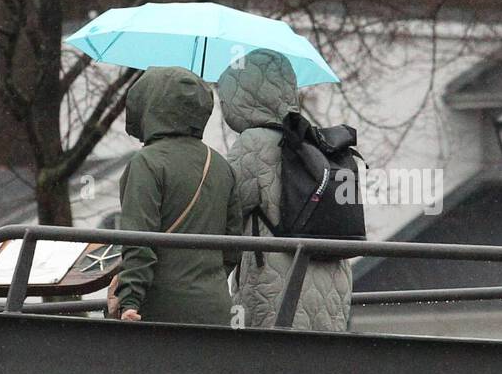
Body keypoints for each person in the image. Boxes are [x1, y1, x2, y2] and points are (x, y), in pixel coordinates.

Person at [216, 49, 353, 331]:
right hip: (332, 282)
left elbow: (225, 213)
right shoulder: (315, 143)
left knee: (264, 368)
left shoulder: (252, 143)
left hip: (276, 284)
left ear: (241, 98)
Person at [112, 66, 241, 324]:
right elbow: (233, 245)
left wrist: (129, 300)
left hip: (160, 311)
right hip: (216, 309)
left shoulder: (147, 163)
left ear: (150, 105)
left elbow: (139, 241)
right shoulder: (220, 165)